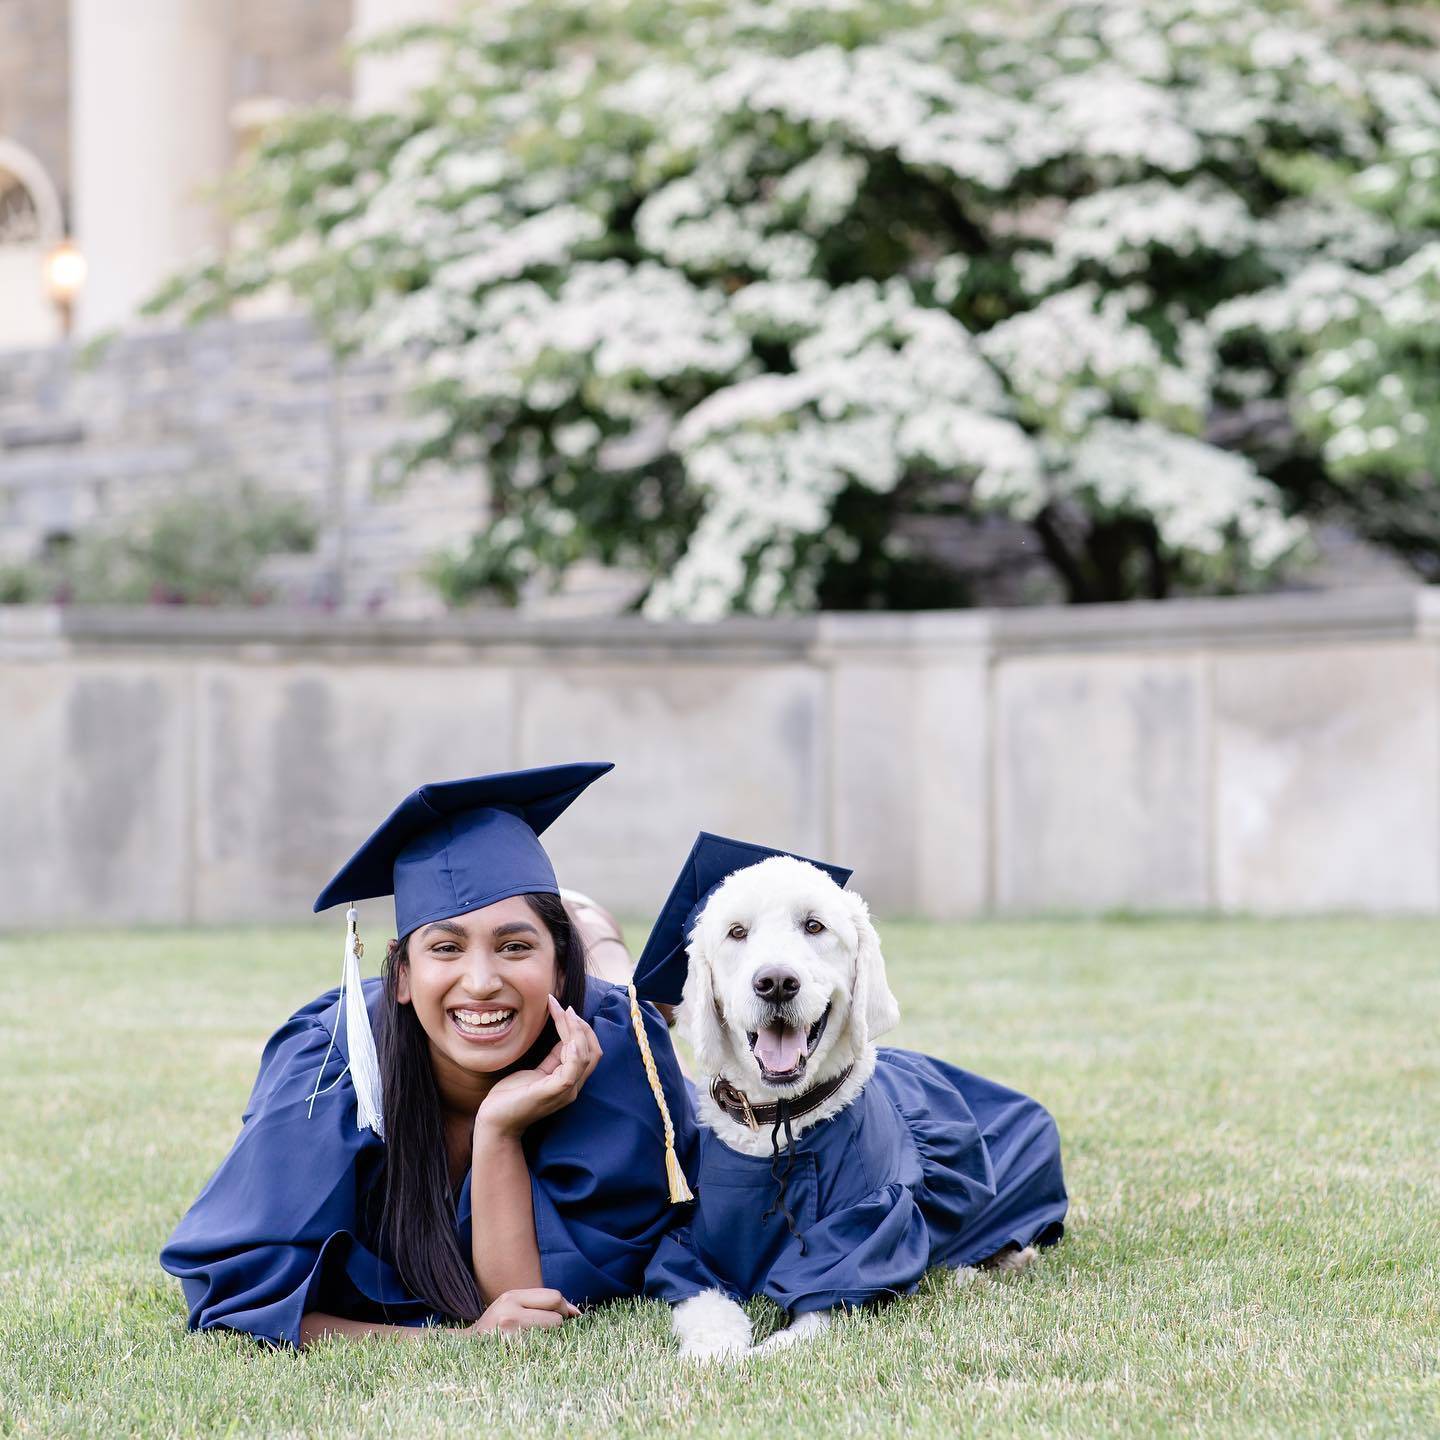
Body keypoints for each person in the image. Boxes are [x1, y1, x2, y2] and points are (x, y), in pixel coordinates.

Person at [161, 763, 696, 1347]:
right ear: (401, 974)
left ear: (560, 963)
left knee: (630, 996)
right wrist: (459, 1342)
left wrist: (498, 1132)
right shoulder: (330, 1069)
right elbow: (239, 1312)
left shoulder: (621, 1047)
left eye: (515, 945)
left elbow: (533, 1308)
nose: (481, 980)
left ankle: (596, 936)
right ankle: (590, 928)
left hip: (583, 1001)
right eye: (446, 946)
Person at [631, 833, 1068, 1315]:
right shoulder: (697, 1143)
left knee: (1020, 1141)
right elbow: (694, 1261)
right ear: (707, 985)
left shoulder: (873, 1161)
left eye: (814, 927)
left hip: (876, 1105)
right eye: (738, 933)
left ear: (861, 971)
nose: (776, 974)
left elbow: (859, 1271)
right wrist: (709, 1333)